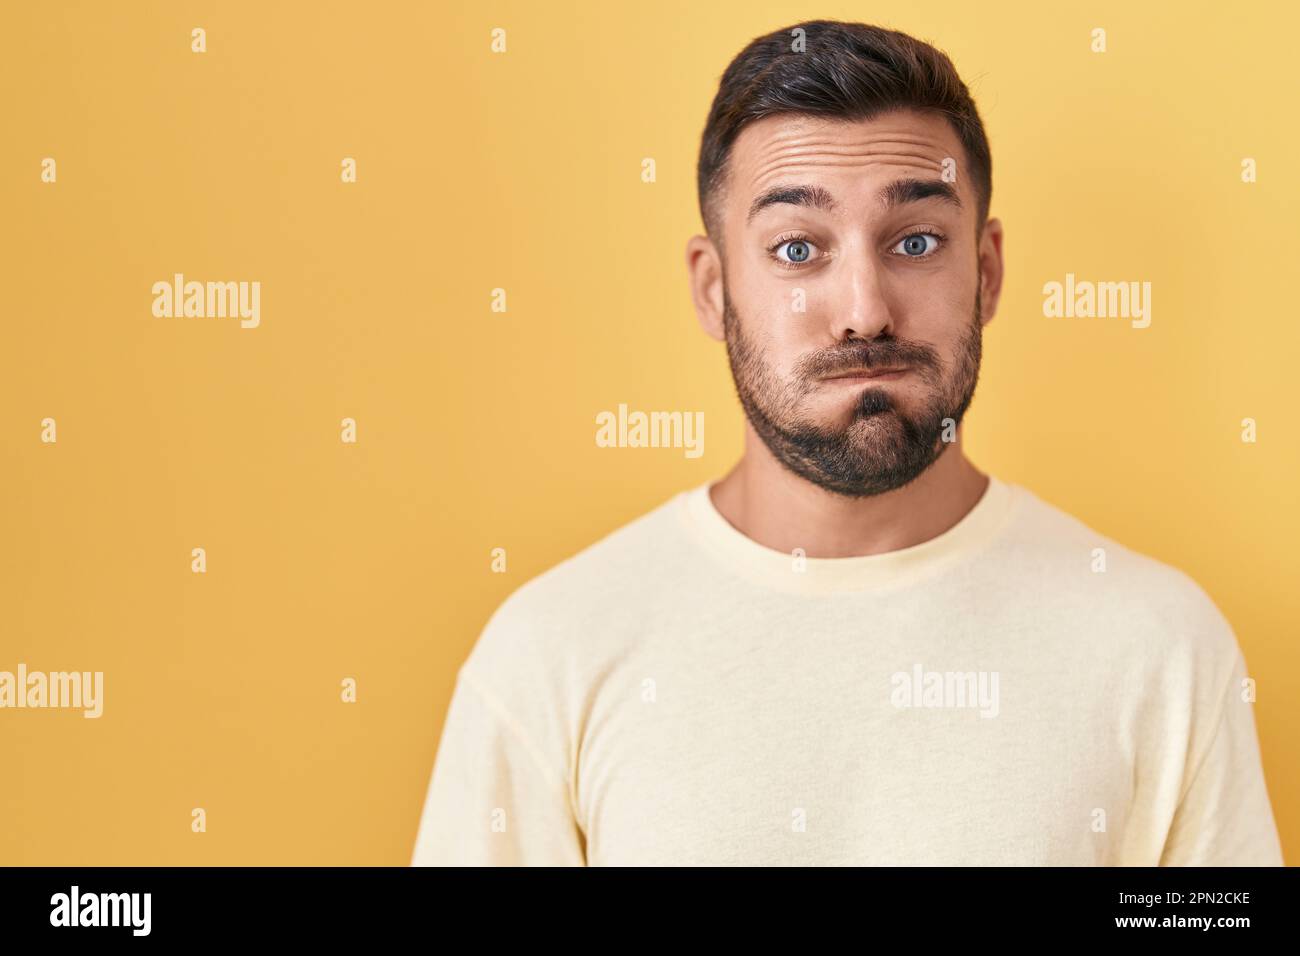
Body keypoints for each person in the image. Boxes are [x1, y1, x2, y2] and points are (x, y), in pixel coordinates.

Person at [411, 19, 1283, 866]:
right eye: (797, 249)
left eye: (915, 241)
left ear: (986, 272)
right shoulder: (549, 656)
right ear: (714, 291)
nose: (865, 310)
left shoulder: (1161, 649)